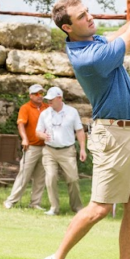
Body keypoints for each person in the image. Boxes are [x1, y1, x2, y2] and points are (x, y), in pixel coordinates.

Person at [29, 0, 130, 259]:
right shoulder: (87, 58)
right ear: (68, 28)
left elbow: (123, 33)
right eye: (82, 16)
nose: (90, 17)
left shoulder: (96, 42)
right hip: (112, 136)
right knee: (100, 208)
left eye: (88, 11)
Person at [35, 87, 86, 216]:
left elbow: (79, 131)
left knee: (73, 179)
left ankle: (77, 207)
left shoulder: (72, 112)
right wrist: (42, 136)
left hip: (67, 151)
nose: (49, 102)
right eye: (48, 100)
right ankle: (54, 208)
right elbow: (38, 131)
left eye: (51, 99)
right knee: (51, 177)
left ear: (60, 98)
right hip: (49, 151)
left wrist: (83, 149)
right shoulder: (45, 113)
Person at [3, 84, 49, 210]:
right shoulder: (26, 108)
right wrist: (24, 138)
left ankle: (35, 203)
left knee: (41, 176)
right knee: (24, 174)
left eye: (41, 93)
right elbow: (21, 124)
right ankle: (11, 201)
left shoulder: (47, 107)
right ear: (30, 96)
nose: (40, 96)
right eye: (36, 94)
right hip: (32, 146)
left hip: (46, 147)